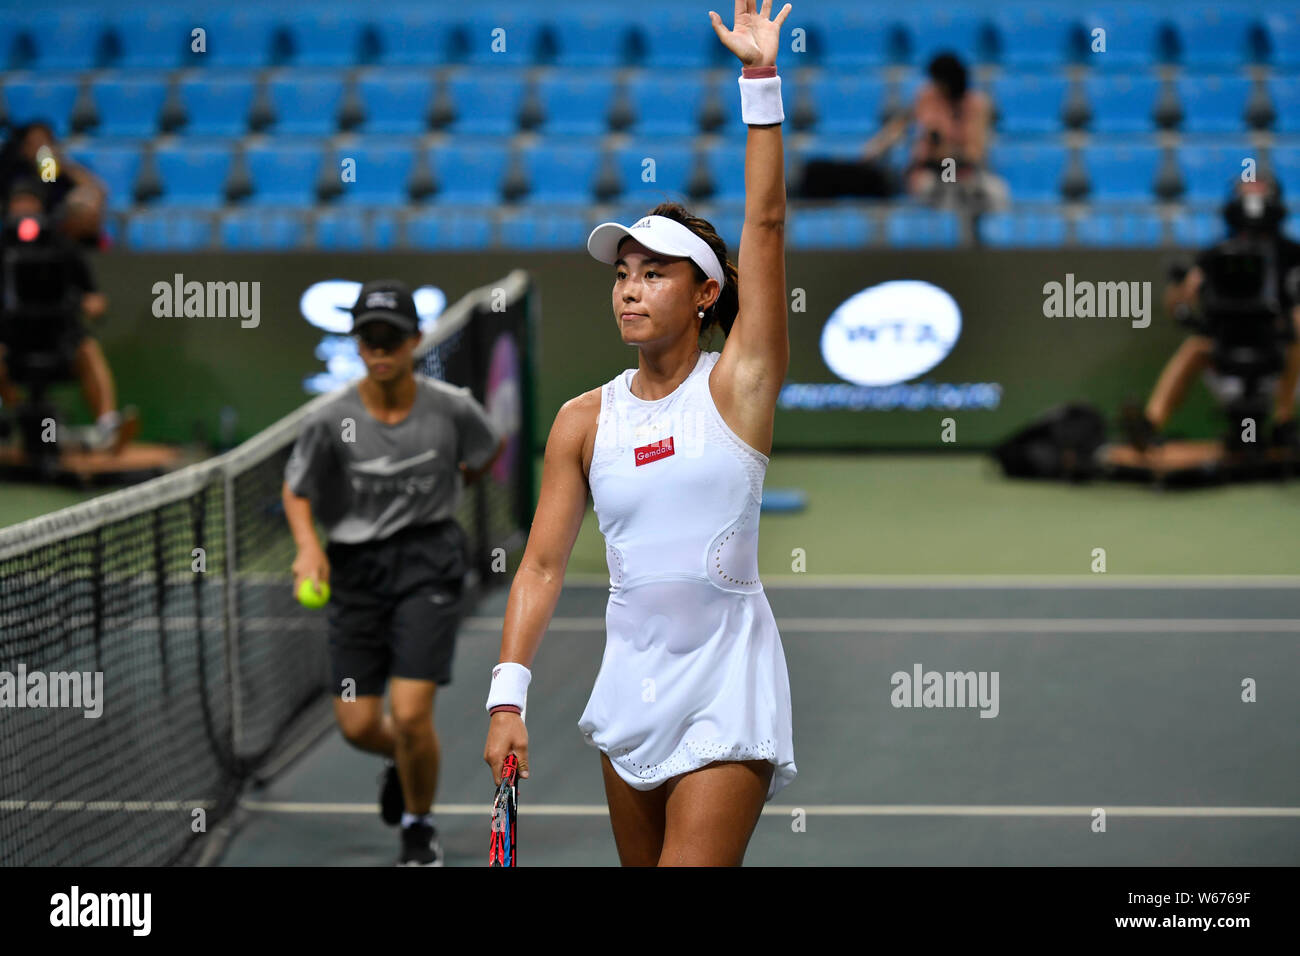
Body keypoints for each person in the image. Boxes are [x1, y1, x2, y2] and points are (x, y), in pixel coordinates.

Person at [483, 0, 797, 867]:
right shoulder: (582, 421)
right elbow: (542, 565)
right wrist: (507, 699)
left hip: (728, 691)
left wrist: (759, 82)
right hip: (630, 691)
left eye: (654, 274)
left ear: (703, 295)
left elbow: (765, 227)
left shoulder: (739, 387)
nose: (629, 289)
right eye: (622, 274)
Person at [282, 279, 504, 866]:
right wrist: (308, 548)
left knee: (410, 713)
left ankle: (417, 824)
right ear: (356, 344)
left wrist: (450, 488)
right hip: (356, 572)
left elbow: (485, 451)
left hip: (428, 564)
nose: (380, 349)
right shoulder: (332, 419)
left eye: (391, 338)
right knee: (357, 724)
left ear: (414, 340)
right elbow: (297, 489)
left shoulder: (450, 407)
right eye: (369, 338)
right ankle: (405, 760)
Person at [1124, 176, 1300, 451]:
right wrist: (1180, 290)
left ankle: (1283, 422)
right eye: (1245, 191)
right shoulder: (1217, 254)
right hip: (1227, 347)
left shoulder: (1292, 254)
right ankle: (1149, 425)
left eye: (1258, 190)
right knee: (1194, 347)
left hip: (1281, 353)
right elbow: (1179, 305)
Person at [0, 178, 137, 454]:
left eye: (30, 203)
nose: (25, 210)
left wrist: (92, 304)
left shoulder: (63, 247)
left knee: (88, 349)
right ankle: (18, 425)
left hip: (59, 336)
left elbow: (93, 295)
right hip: (12, 338)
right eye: (19, 203)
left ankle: (106, 427)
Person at [859, 51, 1004, 209]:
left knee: (996, 192)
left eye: (939, 82)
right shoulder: (927, 97)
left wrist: (947, 150)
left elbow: (974, 152)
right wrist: (877, 146)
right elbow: (900, 125)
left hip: (961, 168)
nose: (936, 86)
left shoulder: (976, 105)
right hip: (930, 168)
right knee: (935, 189)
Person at [0, 121, 107, 247]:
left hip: (58, 228)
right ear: (24, 147)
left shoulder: (61, 172)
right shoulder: (12, 170)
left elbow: (95, 189)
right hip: (13, 228)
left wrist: (62, 165)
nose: (39, 148)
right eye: (33, 143)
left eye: (44, 143)